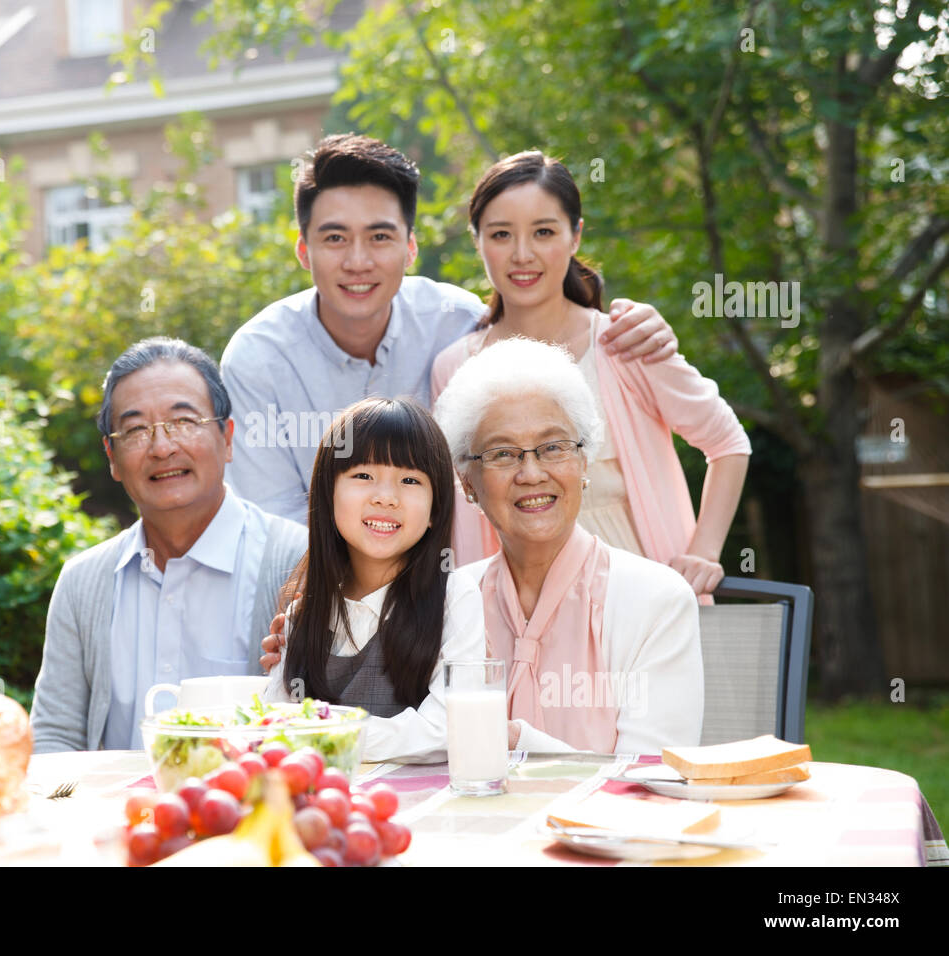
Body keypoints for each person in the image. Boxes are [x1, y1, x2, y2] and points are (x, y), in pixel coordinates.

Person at [222, 133, 681, 525]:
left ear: (410, 248)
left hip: (449, 590)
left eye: (380, 237)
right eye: (335, 238)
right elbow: (275, 521)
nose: (357, 261)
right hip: (312, 594)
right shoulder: (258, 358)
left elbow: (551, 333)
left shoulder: (458, 324)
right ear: (304, 251)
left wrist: (633, 323)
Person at [431, 150, 751, 595]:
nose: (522, 255)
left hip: (641, 595)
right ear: (477, 241)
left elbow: (728, 441)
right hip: (517, 608)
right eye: (501, 234)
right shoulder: (455, 367)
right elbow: (463, 507)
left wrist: (704, 552)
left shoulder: (627, 343)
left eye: (544, 232)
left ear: (575, 236)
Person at [29, 338, 306, 753]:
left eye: (183, 422)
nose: (162, 448)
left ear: (227, 438)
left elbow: (323, 724)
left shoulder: (298, 560)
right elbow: (55, 737)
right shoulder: (83, 581)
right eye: (137, 429)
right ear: (112, 456)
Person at [434, 336, 704, 753]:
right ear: (468, 483)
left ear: (583, 462)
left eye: (553, 447)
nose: (531, 473)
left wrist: (519, 742)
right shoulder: (447, 601)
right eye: (503, 454)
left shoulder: (657, 600)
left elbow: (649, 776)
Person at [263, 398, 485, 763]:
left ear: (435, 510)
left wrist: (320, 734)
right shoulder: (302, 614)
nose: (386, 497)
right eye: (363, 476)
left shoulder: (454, 598)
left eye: (410, 480)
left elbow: (450, 729)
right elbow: (273, 729)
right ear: (328, 492)